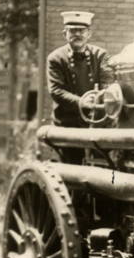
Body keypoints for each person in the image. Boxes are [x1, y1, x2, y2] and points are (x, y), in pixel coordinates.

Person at [46, 11, 115, 163]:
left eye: (81, 31)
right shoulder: (55, 58)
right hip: (68, 127)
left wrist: (99, 97)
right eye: (72, 30)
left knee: (100, 170)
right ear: (65, 33)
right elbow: (56, 91)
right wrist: (81, 102)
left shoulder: (101, 55)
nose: (77, 34)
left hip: (96, 124)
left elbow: (108, 83)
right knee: (71, 172)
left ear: (89, 34)